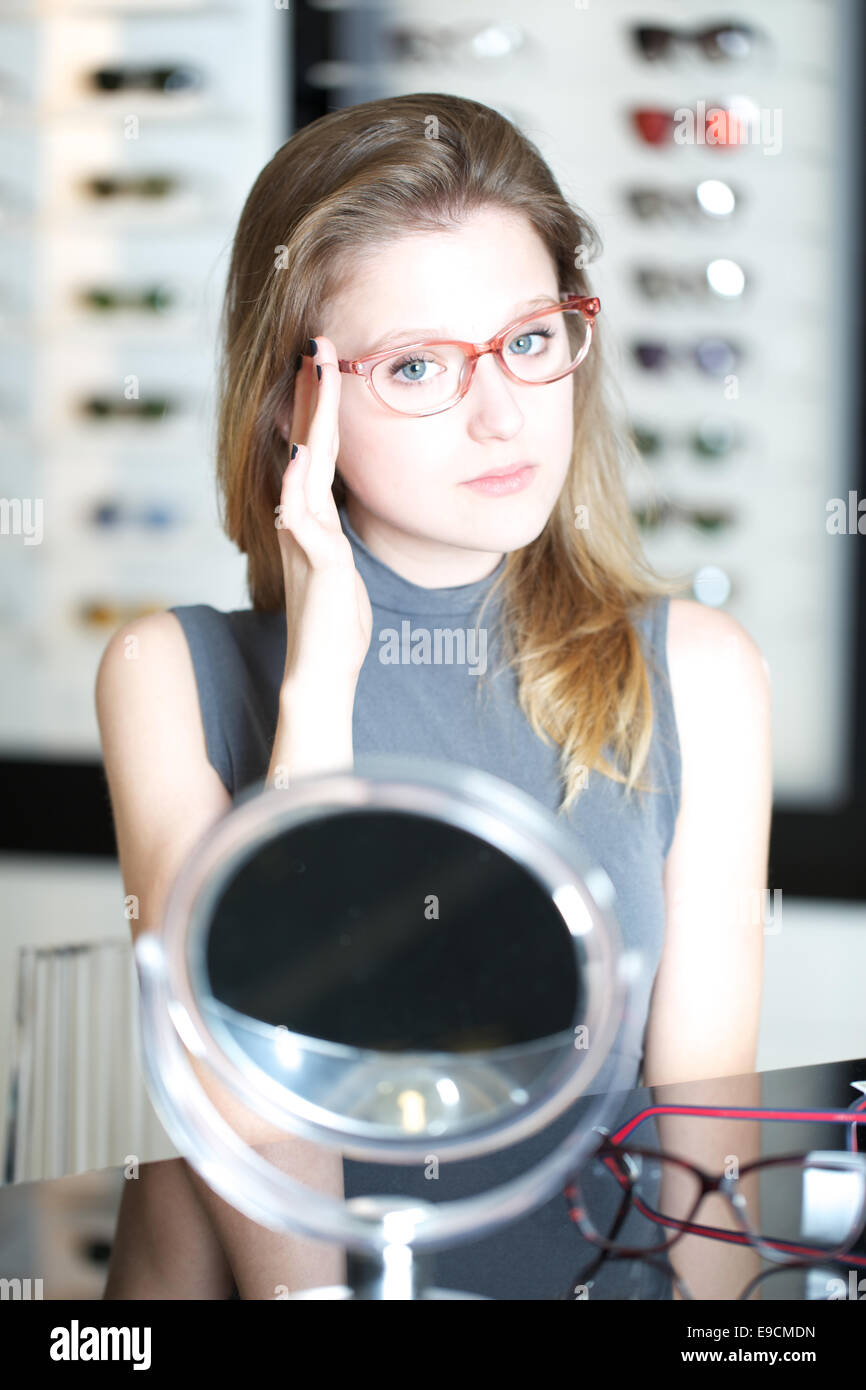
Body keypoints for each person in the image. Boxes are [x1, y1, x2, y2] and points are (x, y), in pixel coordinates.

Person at [95, 92, 772, 1299]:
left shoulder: (697, 670)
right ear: (295, 404)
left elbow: (702, 1145)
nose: (502, 412)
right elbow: (257, 1106)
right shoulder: (169, 674)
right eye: (416, 365)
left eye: (525, 339)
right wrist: (318, 679)